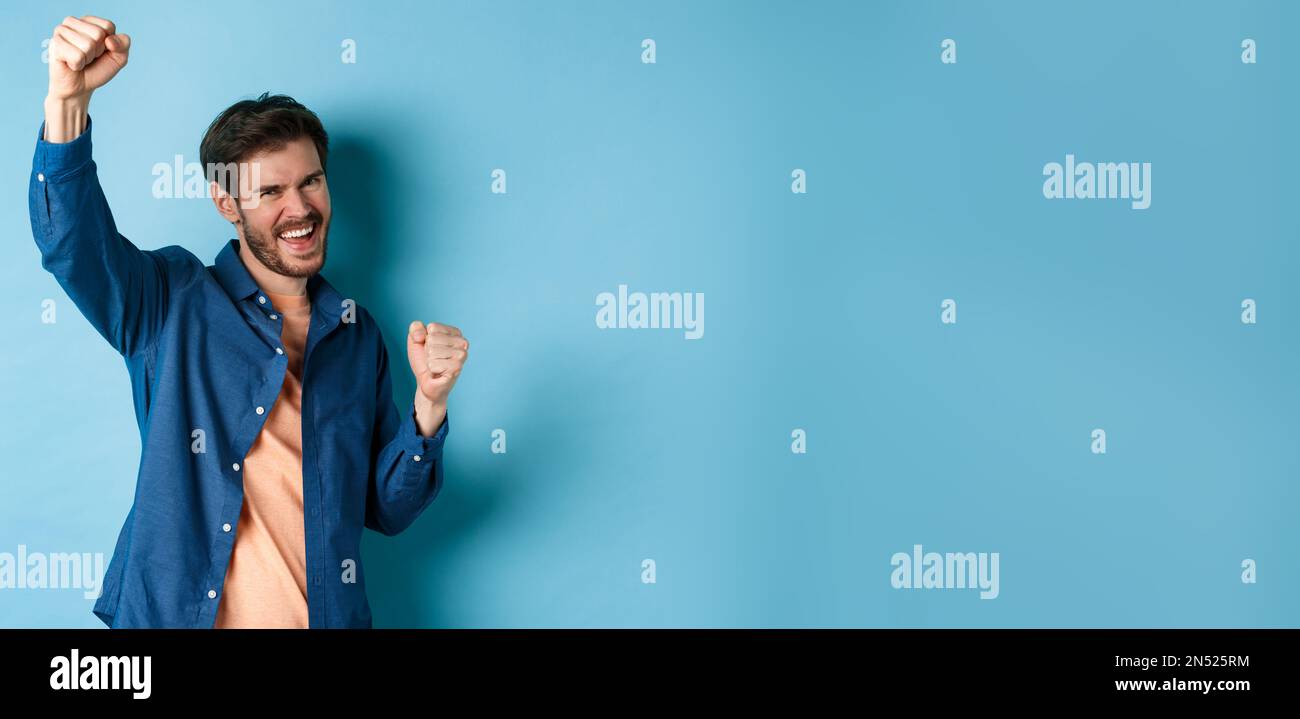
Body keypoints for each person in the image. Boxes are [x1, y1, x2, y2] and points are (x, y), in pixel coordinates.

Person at [29, 15, 469, 628]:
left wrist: (429, 406)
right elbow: (71, 244)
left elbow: (385, 510)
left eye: (311, 181)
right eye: (270, 192)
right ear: (226, 203)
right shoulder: (170, 301)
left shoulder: (356, 332)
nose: (300, 208)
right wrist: (67, 103)